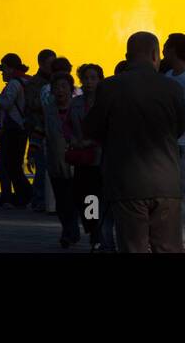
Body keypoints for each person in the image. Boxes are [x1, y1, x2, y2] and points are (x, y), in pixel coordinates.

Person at [83, 31, 185, 252]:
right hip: (166, 181)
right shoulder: (173, 88)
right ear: (154, 55)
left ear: (127, 55)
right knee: (169, 247)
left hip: (127, 182)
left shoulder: (110, 87)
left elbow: (91, 129)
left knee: (133, 247)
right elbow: (179, 129)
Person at [162, 32, 185, 250]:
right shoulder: (169, 76)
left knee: (183, 195)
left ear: (174, 50)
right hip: (169, 144)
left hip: (183, 145)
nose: (164, 51)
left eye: (167, 47)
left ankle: (183, 242)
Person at [72, 63, 114, 251]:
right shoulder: (77, 103)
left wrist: (91, 141)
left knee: (98, 196)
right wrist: (74, 139)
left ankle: (98, 234)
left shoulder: (105, 103)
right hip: (82, 157)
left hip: (101, 157)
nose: (89, 82)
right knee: (85, 196)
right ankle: (92, 228)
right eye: (86, 78)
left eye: (93, 78)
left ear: (100, 80)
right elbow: (68, 126)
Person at [44, 71, 83, 248]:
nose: (60, 90)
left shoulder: (78, 109)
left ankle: (73, 231)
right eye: (56, 87)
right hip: (55, 162)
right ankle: (68, 230)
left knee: (75, 200)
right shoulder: (49, 110)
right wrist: (32, 150)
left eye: (64, 87)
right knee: (61, 201)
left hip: (76, 163)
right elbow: (41, 130)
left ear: (71, 89)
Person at [0, 53, 31, 207]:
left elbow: (6, 104)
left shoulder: (14, 84)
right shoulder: (24, 81)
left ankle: (25, 194)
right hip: (20, 128)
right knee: (13, 165)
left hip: (13, 129)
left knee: (10, 165)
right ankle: (20, 196)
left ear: (11, 69)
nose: (2, 72)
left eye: (4, 69)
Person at [25, 48, 56, 211]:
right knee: (42, 165)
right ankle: (38, 198)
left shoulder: (54, 82)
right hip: (38, 127)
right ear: (41, 64)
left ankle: (45, 199)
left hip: (48, 128)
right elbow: (31, 104)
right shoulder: (35, 83)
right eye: (50, 64)